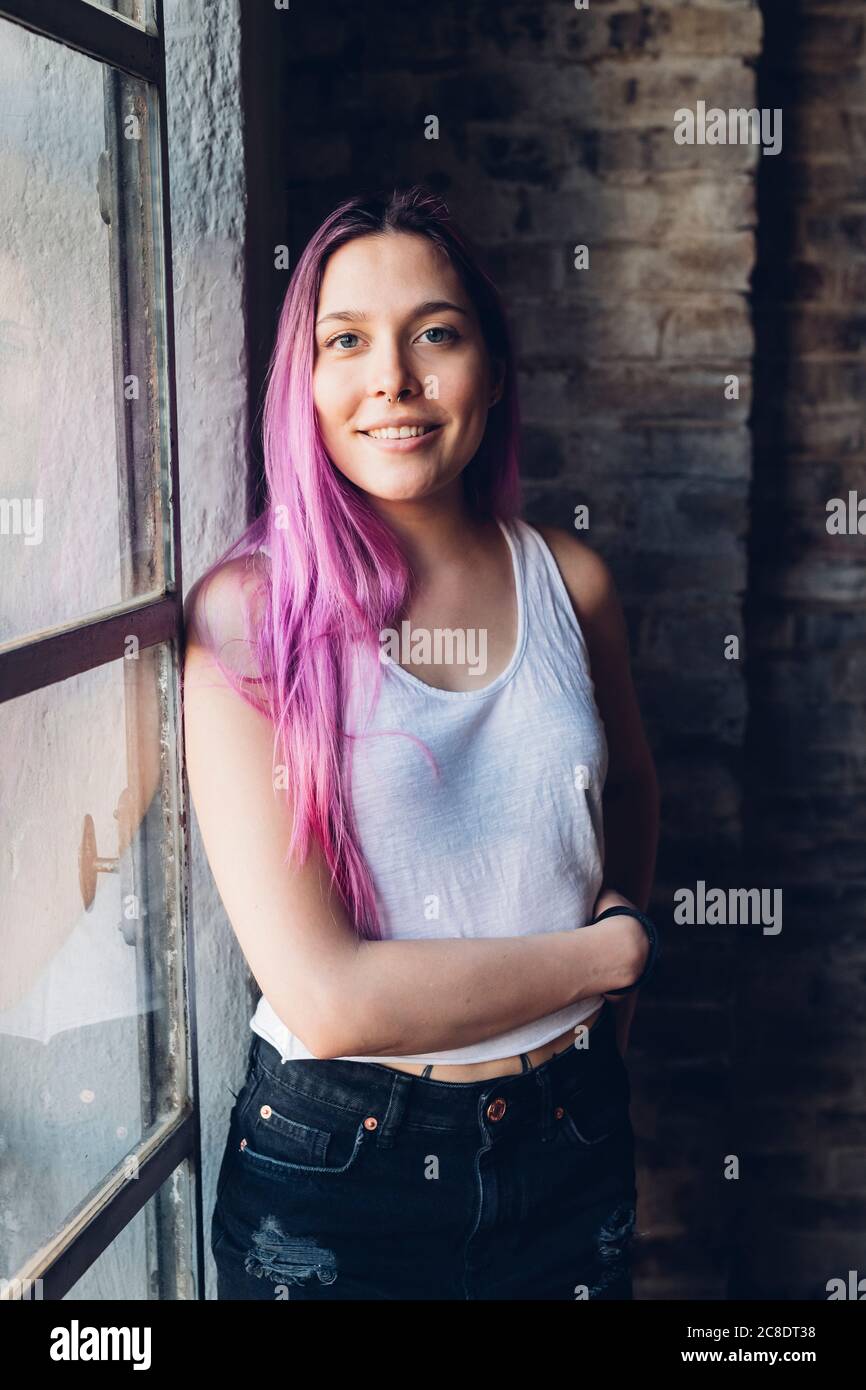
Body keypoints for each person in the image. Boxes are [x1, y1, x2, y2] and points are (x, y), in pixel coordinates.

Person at [182, 184, 661, 1300]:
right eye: (344, 341)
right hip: (345, 1170)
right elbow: (329, 996)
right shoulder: (251, 617)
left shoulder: (569, 580)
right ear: (303, 384)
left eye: (433, 334)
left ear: (490, 368)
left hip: (570, 1139)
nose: (392, 378)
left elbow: (629, 788)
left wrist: (597, 1037)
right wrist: (605, 959)